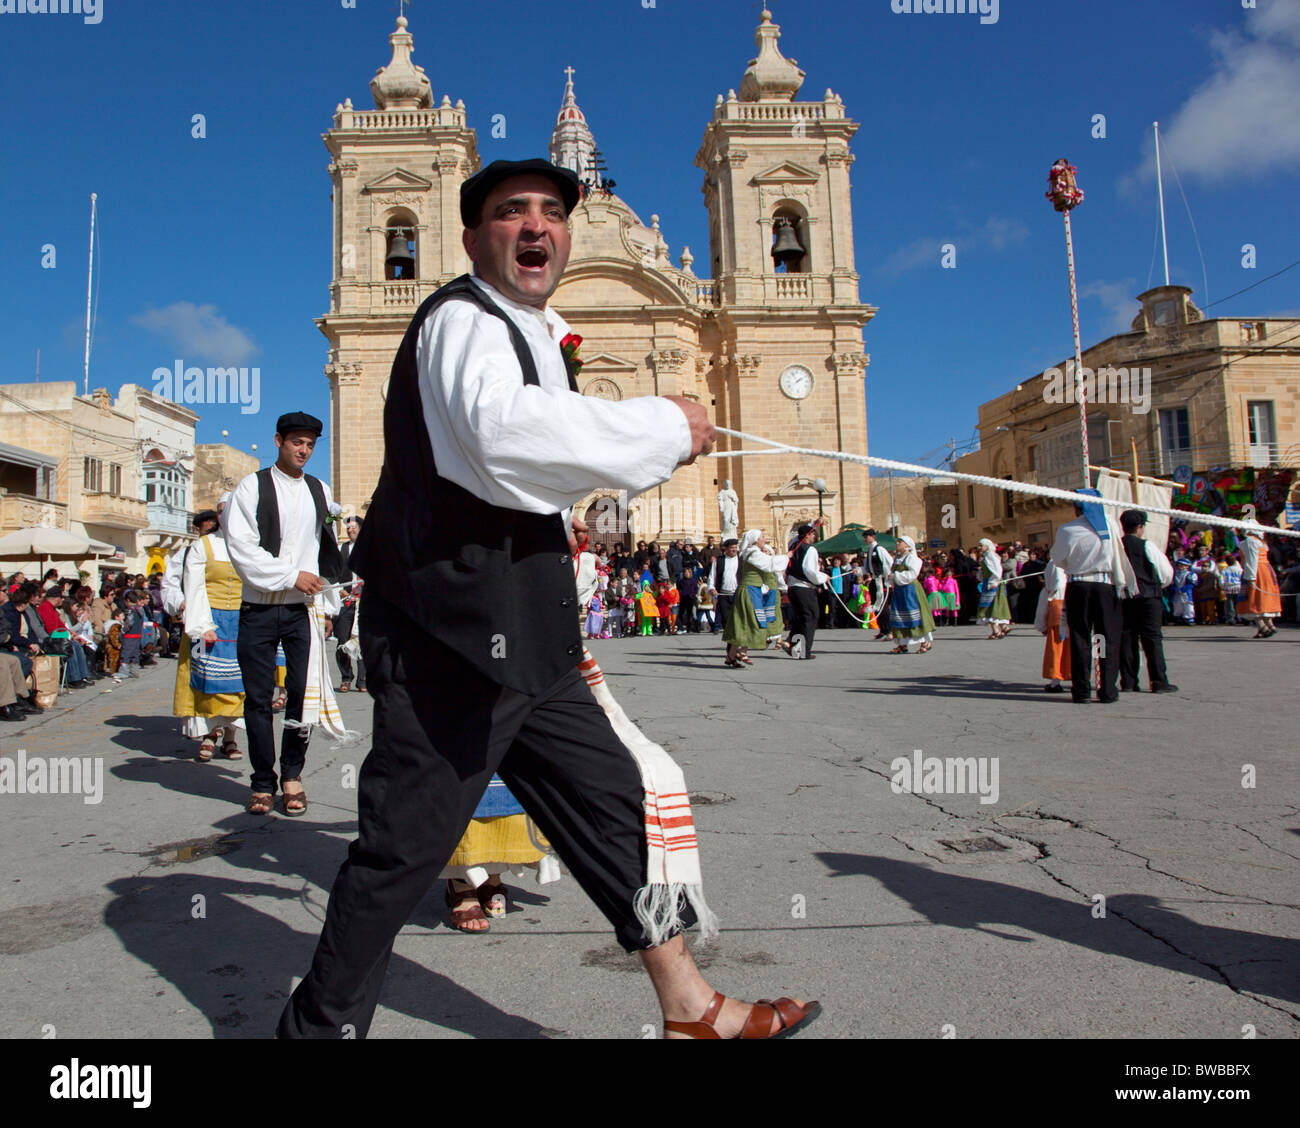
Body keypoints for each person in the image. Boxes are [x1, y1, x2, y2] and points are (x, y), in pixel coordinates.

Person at [279, 159, 816, 1040]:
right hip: (451, 637)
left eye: (552, 213)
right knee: (403, 849)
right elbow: (502, 436)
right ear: (471, 236)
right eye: (510, 212)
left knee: (612, 802)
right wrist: (660, 425)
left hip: (529, 635)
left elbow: (529, 486)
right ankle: (316, 1033)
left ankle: (691, 1008)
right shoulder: (461, 319)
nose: (537, 226)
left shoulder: (533, 330)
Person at [223, 411, 343, 816]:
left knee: (300, 696)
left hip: (300, 612)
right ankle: (262, 781)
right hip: (258, 608)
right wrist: (293, 575)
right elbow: (241, 548)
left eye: (310, 444)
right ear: (279, 441)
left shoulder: (320, 491)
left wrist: (327, 602)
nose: (304, 450)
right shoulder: (251, 487)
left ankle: (292, 775)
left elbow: (328, 543)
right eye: (297, 442)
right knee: (257, 698)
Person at [1050, 490, 1136, 704]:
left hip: (1078, 585)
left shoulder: (1067, 530)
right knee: (1105, 637)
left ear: (1076, 508)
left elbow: (1058, 559)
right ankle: (1107, 689)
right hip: (1104, 586)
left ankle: (1081, 690)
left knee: (1080, 637)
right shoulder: (1110, 526)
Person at [174, 508, 246, 761]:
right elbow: (189, 586)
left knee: (237, 683)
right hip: (204, 619)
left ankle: (230, 737)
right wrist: (201, 623)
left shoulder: (250, 543)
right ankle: (209, 734)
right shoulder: (201, 546)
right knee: (203, 678)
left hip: (239, 619)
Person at [1118, 509, 1178, 694]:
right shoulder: (1147, 546)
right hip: (1148, 596)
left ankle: (1128, 681)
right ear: (1139, 527)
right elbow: (1166, 572)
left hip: (1125, 597)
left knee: (1127, 639)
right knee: (1152, 639)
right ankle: (1159, 681)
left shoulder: (1117, 546)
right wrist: (1157, 584)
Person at [724, 528, 790, 667]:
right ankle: (742, 651)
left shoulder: (754, 553)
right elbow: (769, 564)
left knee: (745, 622)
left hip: (753, 590)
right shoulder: (752, 553)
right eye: (762, 537)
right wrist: (786, 556)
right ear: (755, 540)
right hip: (749, 591)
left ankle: (732, 656)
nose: (764, 540)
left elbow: (769, 562)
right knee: (751, 621)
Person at [784, 521, 829, 659]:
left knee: (801, 617)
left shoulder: (794, 546)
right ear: (808, 535)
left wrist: (814, 523)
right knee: (811, 617)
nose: (814, 537)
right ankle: (803, 651)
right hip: (804, 588)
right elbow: (810, 571)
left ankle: (792, 643)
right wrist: (823, 577)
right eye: (813, 535)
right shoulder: (810, 549)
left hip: (793, 587)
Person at [885, 535, 934, 654]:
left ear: (907, 545)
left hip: (910, 590)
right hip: (899, 591)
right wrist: (890, 579)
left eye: (900, 542)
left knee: (915, 615)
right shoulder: (897, 558)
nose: (897, 544)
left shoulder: (912, 558)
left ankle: (925, 642)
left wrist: (896, 576)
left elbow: (913, 574)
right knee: (900, 616)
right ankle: (902, 644)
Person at [334, 516, 365, 692]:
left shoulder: (369, 548)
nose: (350, 530)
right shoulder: (341, 549)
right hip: (346, 601)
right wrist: (340, 590)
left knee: (361, 639)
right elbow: (336, 573)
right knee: (342, 639)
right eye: (348, 528)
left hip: (363, 601)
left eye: (353, 527)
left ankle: (363, 680)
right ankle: (346, 677)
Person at [1034, 560, 1071, 693]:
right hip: (1072, 603)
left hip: (1058, 604)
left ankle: (1056, 681)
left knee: (1057, 646)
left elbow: (1057, 585)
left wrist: (1041, 623)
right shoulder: (1071, 559)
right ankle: (1073, 676)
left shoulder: (1055, 562)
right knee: (1070, 646)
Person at [1237, 528, 1281, 638]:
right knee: (1263, 598)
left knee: (1254, 599)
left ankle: (1263, 626)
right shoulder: (1261, 542)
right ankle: (1269, 626)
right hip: (1265, 570)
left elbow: (1252, 560)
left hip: (1256, 571)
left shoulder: (1249, 541)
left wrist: (1251, 577)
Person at [974, 538, 1011, 639]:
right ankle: (1003, 627)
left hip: (993, 585)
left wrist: (994, 582)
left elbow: (998, 570)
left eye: (981, 545)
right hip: (988, 583)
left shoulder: (991, 555)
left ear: (987, 546)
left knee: (991, 607)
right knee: (991, 607)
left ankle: (997, 630)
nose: (979, 548)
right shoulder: (986, 556)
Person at [863, 529, 893, 639]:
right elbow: (868, 567)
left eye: (866, 537)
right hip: (874, 580)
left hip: (881, 580)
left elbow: (888, 562)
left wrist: (887, 577)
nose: (865, 539)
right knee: (876, 605)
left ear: (872, 537)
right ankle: (883, 629)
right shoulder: (869, 551)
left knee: (882, 606)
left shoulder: (879, 549)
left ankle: (889, 630)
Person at [708, 537, 740, 635]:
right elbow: (712, 576)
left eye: (735, 547)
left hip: (737, 594)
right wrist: (712, 588)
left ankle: (736, 644)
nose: (734, 550)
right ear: (726, 549)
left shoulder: (741, 560)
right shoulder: (719, 561)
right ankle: (731, 646)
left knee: (738, 620)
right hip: (723, 595)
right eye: (731, 548)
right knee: (726, 621)